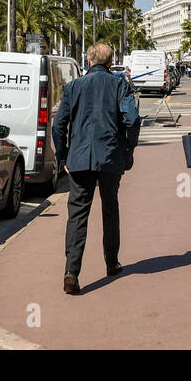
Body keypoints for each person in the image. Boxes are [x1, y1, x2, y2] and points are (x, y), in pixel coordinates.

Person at [51, 42, 141, 295]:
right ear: (110, 62)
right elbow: (132, 119)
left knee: (78, 214)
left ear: (88, 62)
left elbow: (59, 125)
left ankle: (71, 271)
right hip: (110, 155)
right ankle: (111, 262)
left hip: (79, 158)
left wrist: (63, 158)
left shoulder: (73, 86)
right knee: (110, 208)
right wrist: (128, 150)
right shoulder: (119, 84)